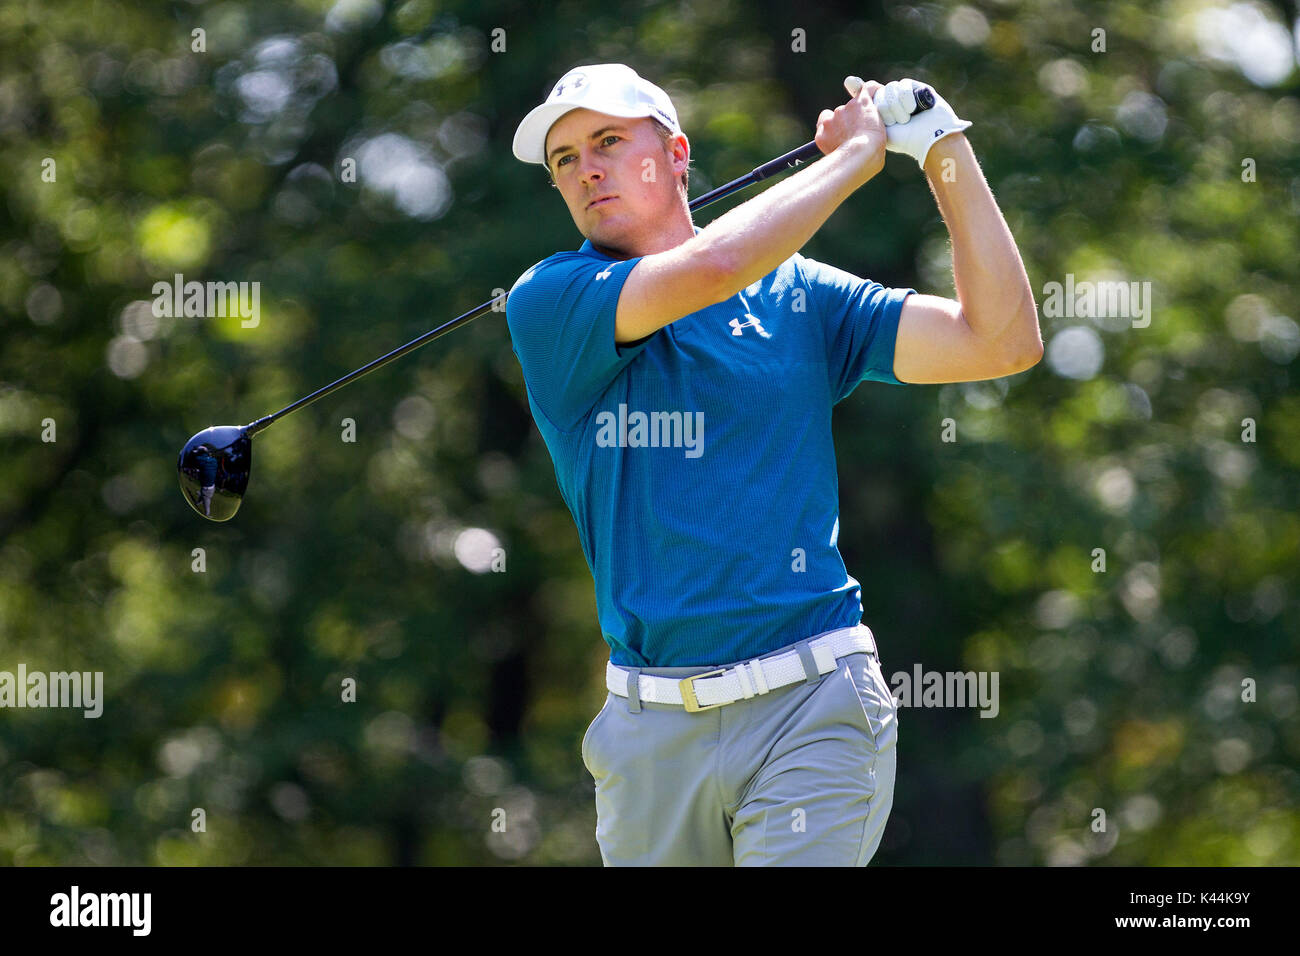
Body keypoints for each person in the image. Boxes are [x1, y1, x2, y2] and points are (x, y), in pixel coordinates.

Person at [506, 63, 1040, 866]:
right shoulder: (550, 299)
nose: (586, 168)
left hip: (813, 704)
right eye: (565, 158)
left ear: (676, 153)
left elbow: (1000, 339)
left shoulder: (802, 298)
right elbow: (714, 269)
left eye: (609, 141)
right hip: (651, 737)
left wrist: (940, 145)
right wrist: (855, 159)